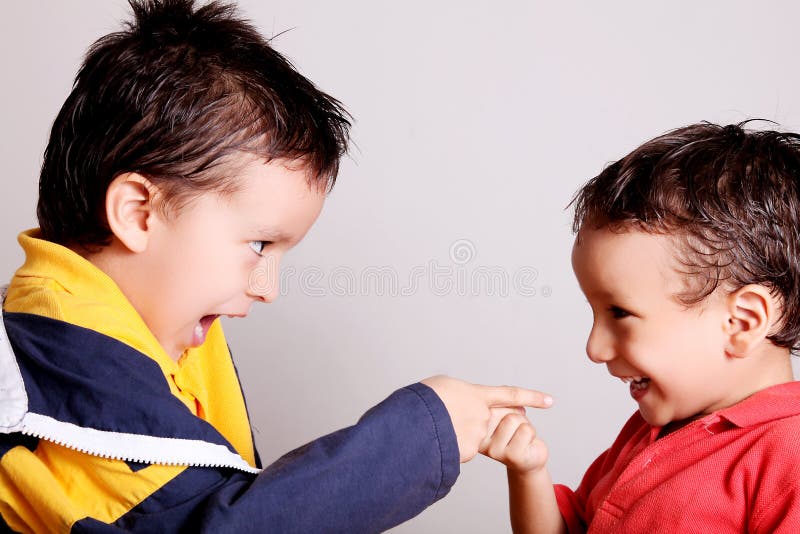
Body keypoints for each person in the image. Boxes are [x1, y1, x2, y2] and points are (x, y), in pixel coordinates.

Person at [0, 1, 553, 531]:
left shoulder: (149, 332)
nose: (268, 289)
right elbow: (213, 524)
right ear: (139, 213)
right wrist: (420, 436)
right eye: (261, 245)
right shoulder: (66, 368)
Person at [481, 122, 800, 533]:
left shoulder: (787, 459)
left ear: (742, 321)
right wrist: (528, 472)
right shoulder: (648, 431)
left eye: (619, 313)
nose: (594, 348)